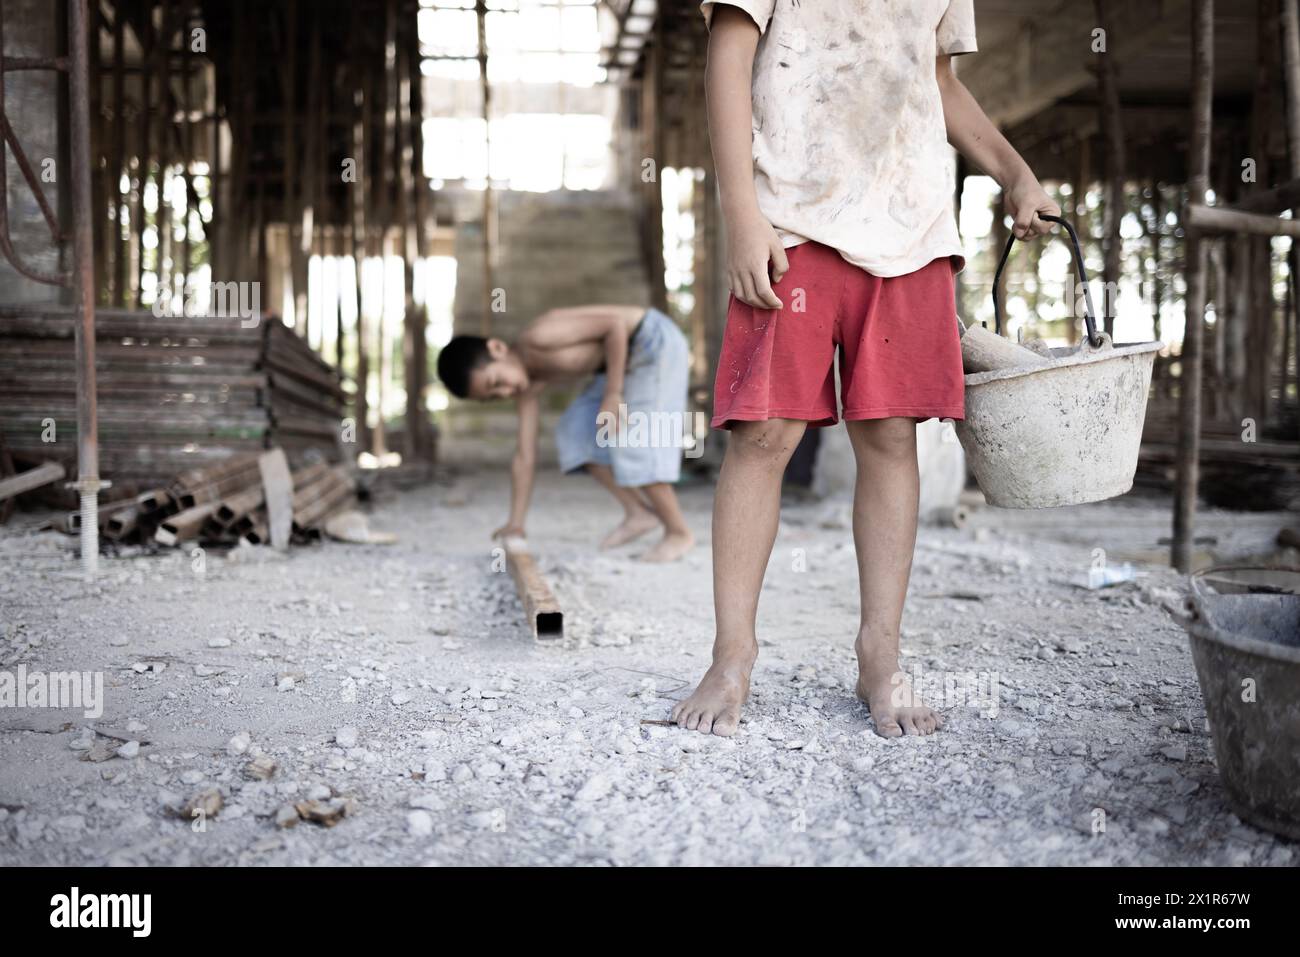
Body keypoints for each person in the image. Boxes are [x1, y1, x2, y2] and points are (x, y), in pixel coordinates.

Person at [672, 0, 1060, 736]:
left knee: (890, 437)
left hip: (909, 226)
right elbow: (728, 56)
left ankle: (880, 656)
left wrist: (1016, 173)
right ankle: (731, 658)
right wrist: (742, 215)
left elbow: (936, 77)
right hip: (790, 219)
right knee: (761, 436)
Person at [437, 305, 696, 562]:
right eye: (493, 397)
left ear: (497, 348)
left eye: (495, 383)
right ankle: (639, 512)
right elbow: (524, 456)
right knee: (575, 434)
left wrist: (613, 394)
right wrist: (515, 523)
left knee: (632, 439)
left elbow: (615, 324)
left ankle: (678, 532)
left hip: (650, 341)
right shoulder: (527, 388)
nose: (504, 393)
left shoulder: (538, 336)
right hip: (617, 368)